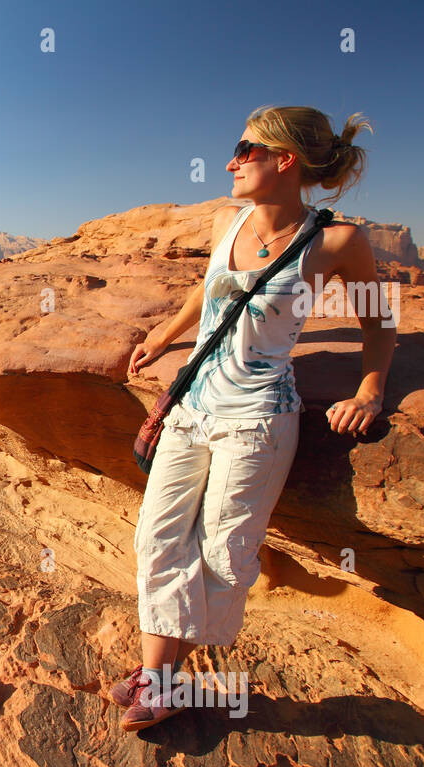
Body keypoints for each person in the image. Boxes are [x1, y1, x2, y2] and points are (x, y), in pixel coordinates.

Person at [115, 105, 396, 731]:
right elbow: (211, 284)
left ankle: (160, 680)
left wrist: (370, 391)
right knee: (156, 537)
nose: (230, 162)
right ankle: (162, 677)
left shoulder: (337, 242)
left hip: (258, 420)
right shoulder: (227, 218)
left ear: (284, 160)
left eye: (244, 150)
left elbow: (379, 322)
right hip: (192, 408)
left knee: (222, 550)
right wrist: (164, 334)